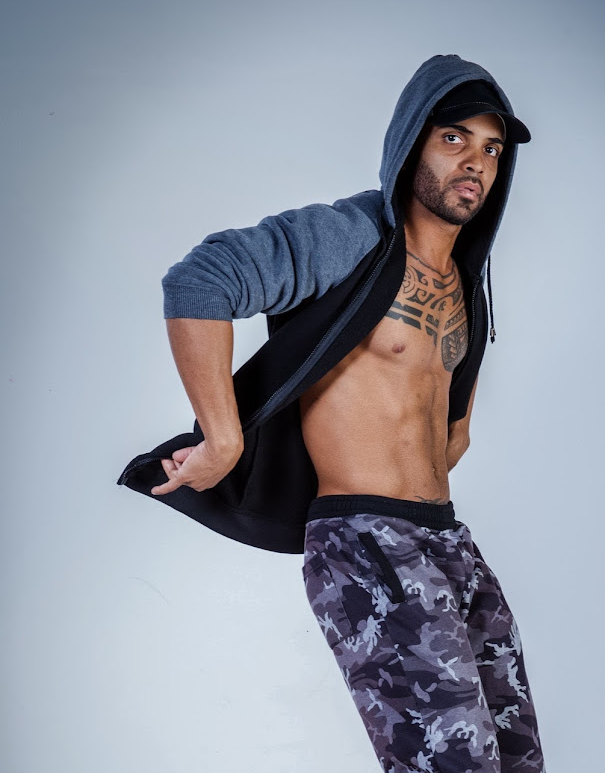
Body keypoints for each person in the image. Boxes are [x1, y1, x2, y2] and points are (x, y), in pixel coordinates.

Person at [118, 53, 546, 772]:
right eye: (453, 138)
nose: (475, 161)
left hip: (448, 539)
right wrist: (223, 439)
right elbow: (200, 280)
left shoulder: (466, 283)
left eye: (491, 148)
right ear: (411, 141)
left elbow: (454, 429)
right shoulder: (350, 237)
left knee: (516, 756)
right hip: (366, 539)